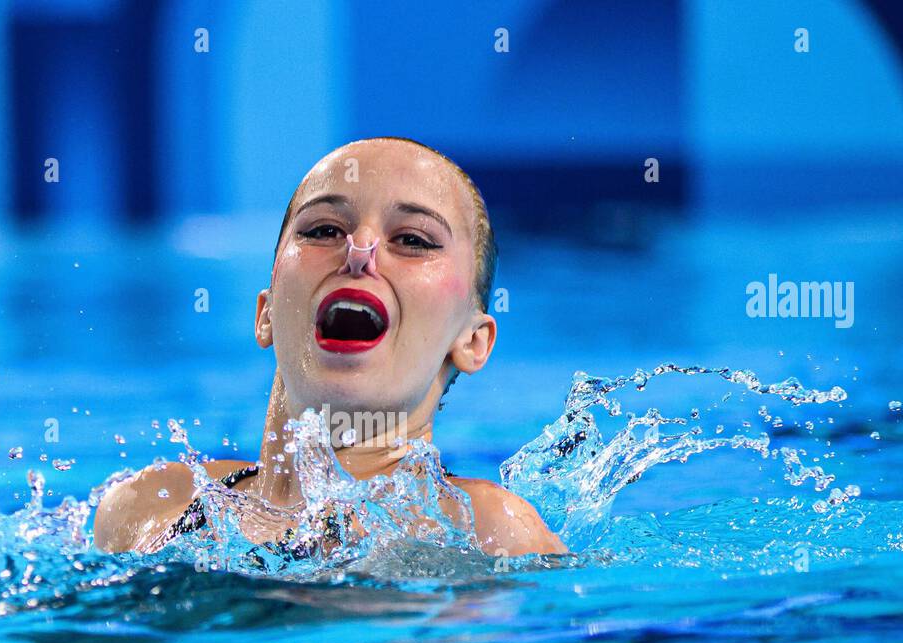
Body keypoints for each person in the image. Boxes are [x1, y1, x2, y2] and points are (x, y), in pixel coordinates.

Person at [95, 137, 566, 557]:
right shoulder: (149, 507)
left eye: (411, 239)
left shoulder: (489, 531)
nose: (360, 250)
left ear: (472, 340)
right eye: (323, 230)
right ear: (266, 314)